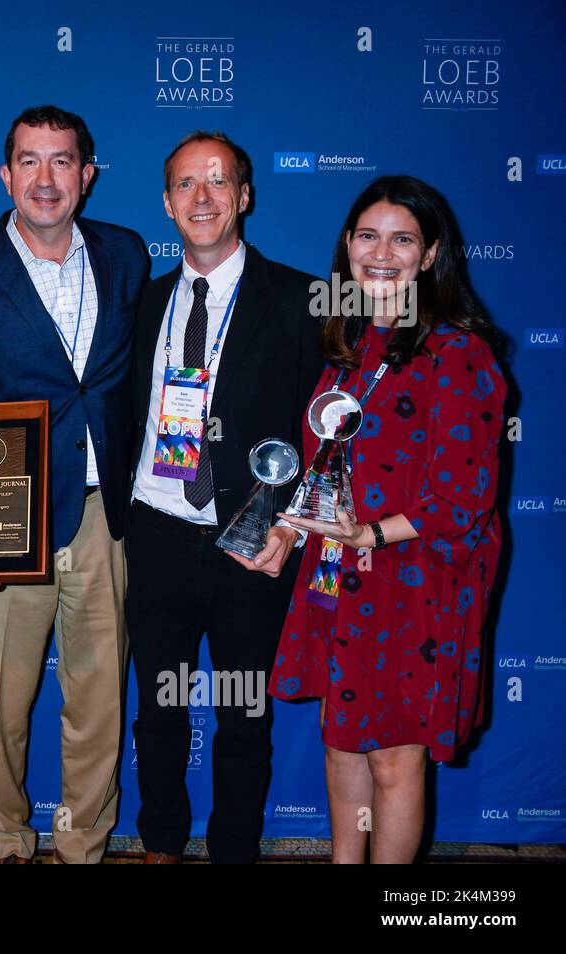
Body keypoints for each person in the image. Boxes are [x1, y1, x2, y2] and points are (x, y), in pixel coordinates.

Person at [0, 105, 150, 864]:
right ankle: (5, 841)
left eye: (62, 162)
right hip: (8, 520)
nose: (46, 178)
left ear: (87, 176)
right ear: (6, 174)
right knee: (2, 703)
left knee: (99, 698)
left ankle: (83, 842)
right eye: (30, 161)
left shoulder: (126, 256)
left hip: (103, 517)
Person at [271, 175, 506, 864]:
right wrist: (293, 526)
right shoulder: (348, 346)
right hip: (340, 576)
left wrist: (369, 534)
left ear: (430, 254)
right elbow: (328, 466)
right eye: (368, 236)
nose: (382, 252)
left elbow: (464, 499)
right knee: (342, 738)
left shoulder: (461, 355)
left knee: (396, 761)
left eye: (402, 239)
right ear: (347, 245)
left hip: (415, 583)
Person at [126, 131, 324, 864]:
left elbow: (328, 433)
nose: (201, 198)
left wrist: (293, 527)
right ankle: (162, 846)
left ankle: (234, 851)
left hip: (253, 540)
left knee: (244, 713)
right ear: (167, 201)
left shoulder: (302, 300)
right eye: (184, 184)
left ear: (244, 195)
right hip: (157, 534)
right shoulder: (141, 304)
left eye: (217, 182)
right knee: (158, 711)